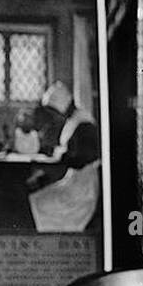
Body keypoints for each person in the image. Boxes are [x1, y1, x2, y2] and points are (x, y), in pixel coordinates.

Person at [27, 80, 102, 231]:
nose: (56, 116)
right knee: (36, 199)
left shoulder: (84, 123)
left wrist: (62, 156)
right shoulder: (73, 120)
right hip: (74, 179)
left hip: (83, 185)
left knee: (42, 202)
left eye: (55, 111)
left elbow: (83, 158)